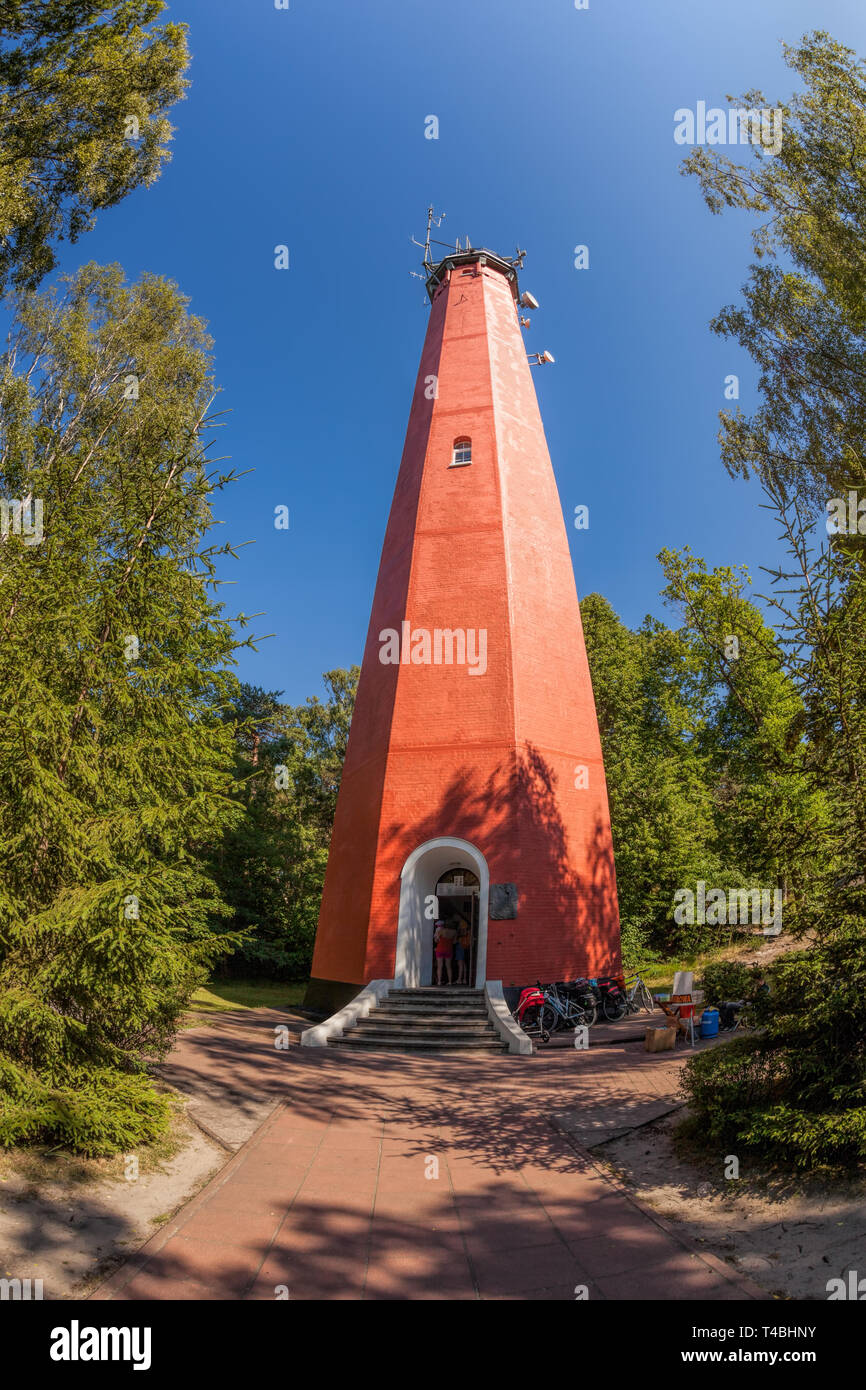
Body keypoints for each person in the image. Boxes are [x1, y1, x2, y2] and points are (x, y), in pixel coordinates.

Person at [433, 919, 456, 986]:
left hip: (440, 949)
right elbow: (454, 942)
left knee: (439, 966)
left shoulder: (440, 931)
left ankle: (439, 982)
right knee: (448, 966)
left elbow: (436, 940)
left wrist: (437, 939)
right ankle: (450, 982)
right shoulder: (454, 932)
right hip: (449, 949)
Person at [453, 915, 472, 985]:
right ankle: (464, 979)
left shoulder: (460, 933)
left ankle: (459, 979)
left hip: (460, 947)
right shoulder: (468, 931)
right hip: (466, 947)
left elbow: (454, 942)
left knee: (460, 964)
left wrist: (457, 934)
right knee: (464, 965)